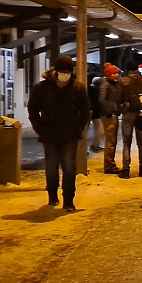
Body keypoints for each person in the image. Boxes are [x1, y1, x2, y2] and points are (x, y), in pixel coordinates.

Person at [27, 55, 90, 211]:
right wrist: (38, 126)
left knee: (69, 167)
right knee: (51, 166)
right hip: (49, 133)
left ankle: (68, 200)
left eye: (67, 71)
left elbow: (85, 110)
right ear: (55, 71)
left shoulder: (77, 88)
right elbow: (33, 108)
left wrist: (79, 127)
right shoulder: (42, 88)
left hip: (70, 134)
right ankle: (52, 195)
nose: (65, 74)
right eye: (62, 71)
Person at [119, 60, 142, 179]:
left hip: (128, 114)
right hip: (141, 114)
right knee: (141, 142)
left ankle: (126, 170)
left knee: (126, 143)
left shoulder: (123, 81)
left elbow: (118, 98)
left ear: (127, 69)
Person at [98, 63, 123, 174]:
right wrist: (109, 111)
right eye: (113, 73)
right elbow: (102, 99)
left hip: (113, 113)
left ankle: (110, 163)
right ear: (108, 75)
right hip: (109, 115)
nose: (116, 75)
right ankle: (109, 165)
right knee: (111, 141)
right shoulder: (105, 85)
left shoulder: (113, 84)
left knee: (112, 141)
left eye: (117, 73)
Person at [87, 75, 104, 152]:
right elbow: (96, 101)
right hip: (96, 112)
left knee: (98, 129)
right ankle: (94, 145)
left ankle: (94, 145)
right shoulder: (93, 89)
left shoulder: (91, 88)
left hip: (94, 112)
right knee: (99, 129)